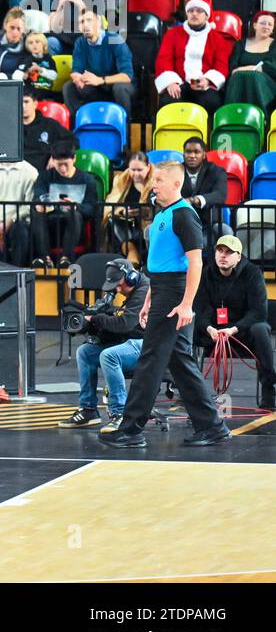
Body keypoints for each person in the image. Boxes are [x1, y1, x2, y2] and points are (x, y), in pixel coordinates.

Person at [102, 161, 230, 448]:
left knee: (150, 359)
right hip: (162, 289)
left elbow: (195, 262)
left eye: (159, 179)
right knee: (179, 360)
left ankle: (131, 429)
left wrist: (186, 304)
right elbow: (158, 264)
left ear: (176, 184)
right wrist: (148, 298)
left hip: (174, 294)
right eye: (154, 178)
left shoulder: (184, 214)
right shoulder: (164, 214)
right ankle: (211, 425)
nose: (154, 184)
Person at [59, 258, 150, 431]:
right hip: (131, 340)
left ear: (131, 277)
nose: (117, 290)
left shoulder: (144, 290)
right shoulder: (130, 291)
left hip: (150, 344)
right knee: (84, 352)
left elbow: (125, 324)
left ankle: (120, 413)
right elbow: (120, 325)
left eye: (119, 285)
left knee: (109, 355)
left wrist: (96, 318)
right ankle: (88, 409)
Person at [194, 235, 276, 409]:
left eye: (229, 252)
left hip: (242, 333)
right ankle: (187, 389)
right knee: (187, 326)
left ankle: (270, 390)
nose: (223, 255)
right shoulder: (205, 274)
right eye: (220, 251)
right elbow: (201, 310)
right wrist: (209, 328)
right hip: (213, 334)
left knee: (261, 329)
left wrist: (234, 329)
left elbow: (258, 312)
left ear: (238, 256)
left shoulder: (253, 273)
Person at [27, 141, 100, 267]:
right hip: (50, 225)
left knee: (74, 214)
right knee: (36, 214)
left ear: (74, 159)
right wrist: (41, 205)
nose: (63, 169)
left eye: (66, 164)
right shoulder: (45, 177)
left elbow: (92, 209)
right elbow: (38, 197)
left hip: (75, 227)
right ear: (53, 161)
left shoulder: (87, 180)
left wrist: (75, 206)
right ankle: (45, 259)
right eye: (59, 165)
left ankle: (66, 258)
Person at [155, 0, 230, 114]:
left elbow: (221, 66)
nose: (194, 14)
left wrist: (207, 81)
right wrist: (170, 82)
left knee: (212, 101)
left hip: (204, 85)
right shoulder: (172, 34)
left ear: (206, 16)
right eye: (191, 11)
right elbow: (164, 60)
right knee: (168, 102)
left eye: (199, 11)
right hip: (179, 83)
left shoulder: (217, 39)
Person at [64, 7, 135, 112]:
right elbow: (76, 70)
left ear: (98, 22)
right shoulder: (80, 42)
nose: (85, 25)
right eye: (82, 22)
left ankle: (124, 125)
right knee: (69, 87)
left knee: (119, 88)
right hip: (95, 86)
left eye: (89, 20)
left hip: (118, 85)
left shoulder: (115, 40)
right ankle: (79, 123)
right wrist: (77, 78)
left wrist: (100, 80)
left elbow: (127, 76)